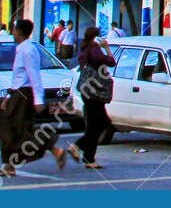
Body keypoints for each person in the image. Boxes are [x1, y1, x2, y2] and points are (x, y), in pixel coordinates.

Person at [2, 19, 66, 176]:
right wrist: (8, 97)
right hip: (17, 94)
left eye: (15, 29)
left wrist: (38, 99)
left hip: (24, 95)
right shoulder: (21, 49)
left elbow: (34, 75)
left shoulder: (28, 50)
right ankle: (10, 164)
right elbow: (18, 77)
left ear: (20, 32)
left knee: (16, 129)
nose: (13, 32)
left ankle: (53, 148)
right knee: (15, 129)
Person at [68, 25, 115, 170]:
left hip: (88, 91)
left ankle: (88, 157)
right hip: (95, 92)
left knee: (95, 125)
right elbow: (111, 62)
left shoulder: (85, 47)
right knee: (101, 123)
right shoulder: (94, 48)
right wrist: (106, 48)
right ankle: (78, 146)